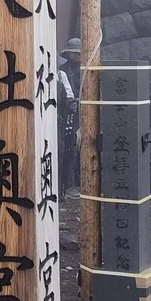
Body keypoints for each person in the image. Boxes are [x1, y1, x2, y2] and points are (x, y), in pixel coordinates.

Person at [58, 38, 82, 194]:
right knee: (70, 147)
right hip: (69, 113)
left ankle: (79, 181)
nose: (77, 56)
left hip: (84, 111)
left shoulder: (85, 69)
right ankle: (69, 184)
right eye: (74, 53)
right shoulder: (63, 70)